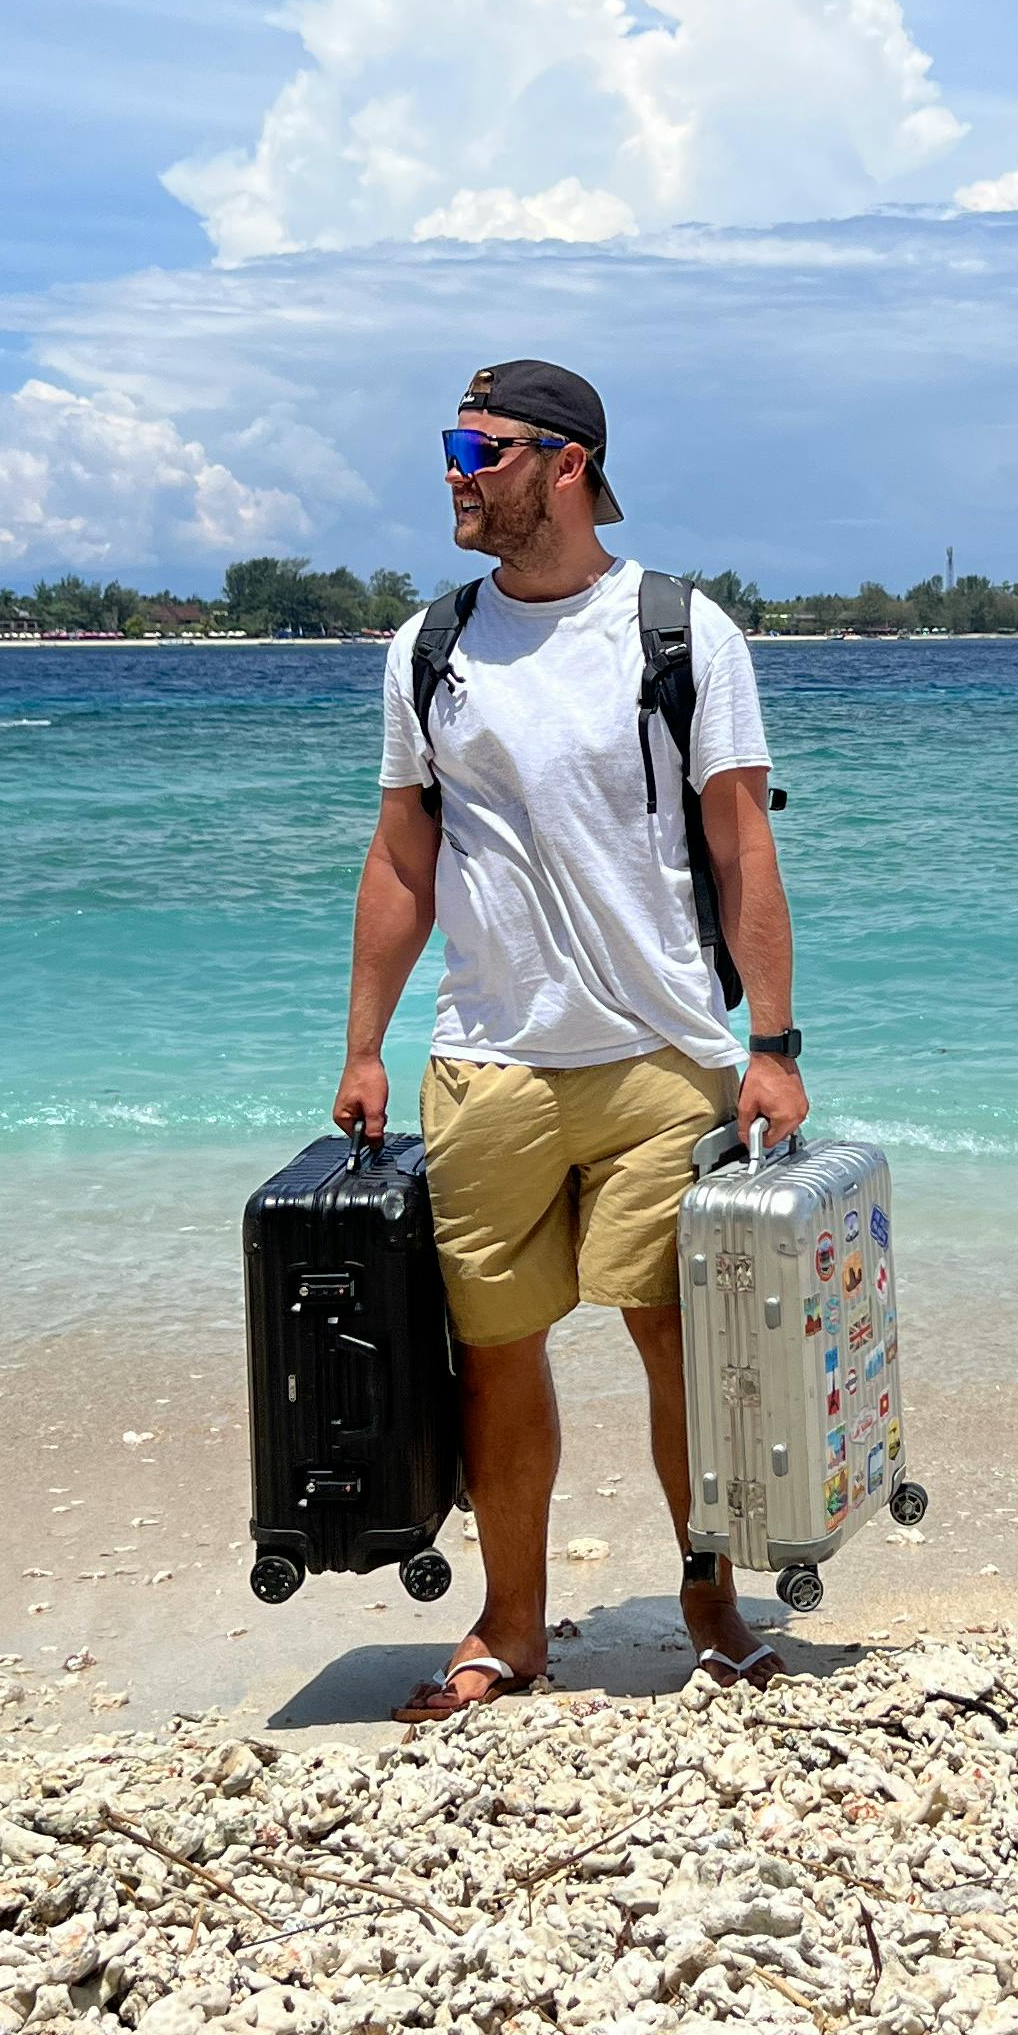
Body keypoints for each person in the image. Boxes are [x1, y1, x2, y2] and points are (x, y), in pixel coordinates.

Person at [333, 358, 807, 1718]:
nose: (454, 475)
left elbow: (740, 838)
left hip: (662, 1053)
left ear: (566, 463)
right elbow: (401, 859)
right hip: (487, 1061)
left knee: (674, 1336)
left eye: (475, 448)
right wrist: (366, 1046)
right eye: (454, 446)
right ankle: (514, 1627)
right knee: (493, 1350)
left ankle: (710, 1606)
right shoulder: (428, 650)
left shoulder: (678, 629)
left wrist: (770, 1041)